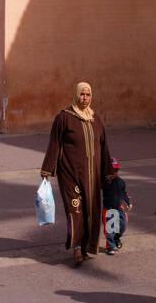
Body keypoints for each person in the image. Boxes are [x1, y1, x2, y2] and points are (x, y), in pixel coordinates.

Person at [41, 81, 115, 265]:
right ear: (76, 95)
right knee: (75, 210)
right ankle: (76, 248)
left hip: (92, 176)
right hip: (70, 174)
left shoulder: (95, 119)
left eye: (88, 95)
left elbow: (104, 146)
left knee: (91, 210)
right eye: (82, 94)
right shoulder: (64, 118)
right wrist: (47, 169)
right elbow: (54, 144)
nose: (84, 98)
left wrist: (108, 172)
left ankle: (88, 246)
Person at [102, 157, 133, 254]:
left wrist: (129, 202)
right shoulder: (105, 182)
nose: (115, 173)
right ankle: (110, 247)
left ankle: (116, 238)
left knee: (123, 225)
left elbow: (124, 192)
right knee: (110, 228)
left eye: (116, 170)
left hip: (119, 207)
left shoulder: (120, 181)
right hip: (109, 208)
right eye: (112, 171)